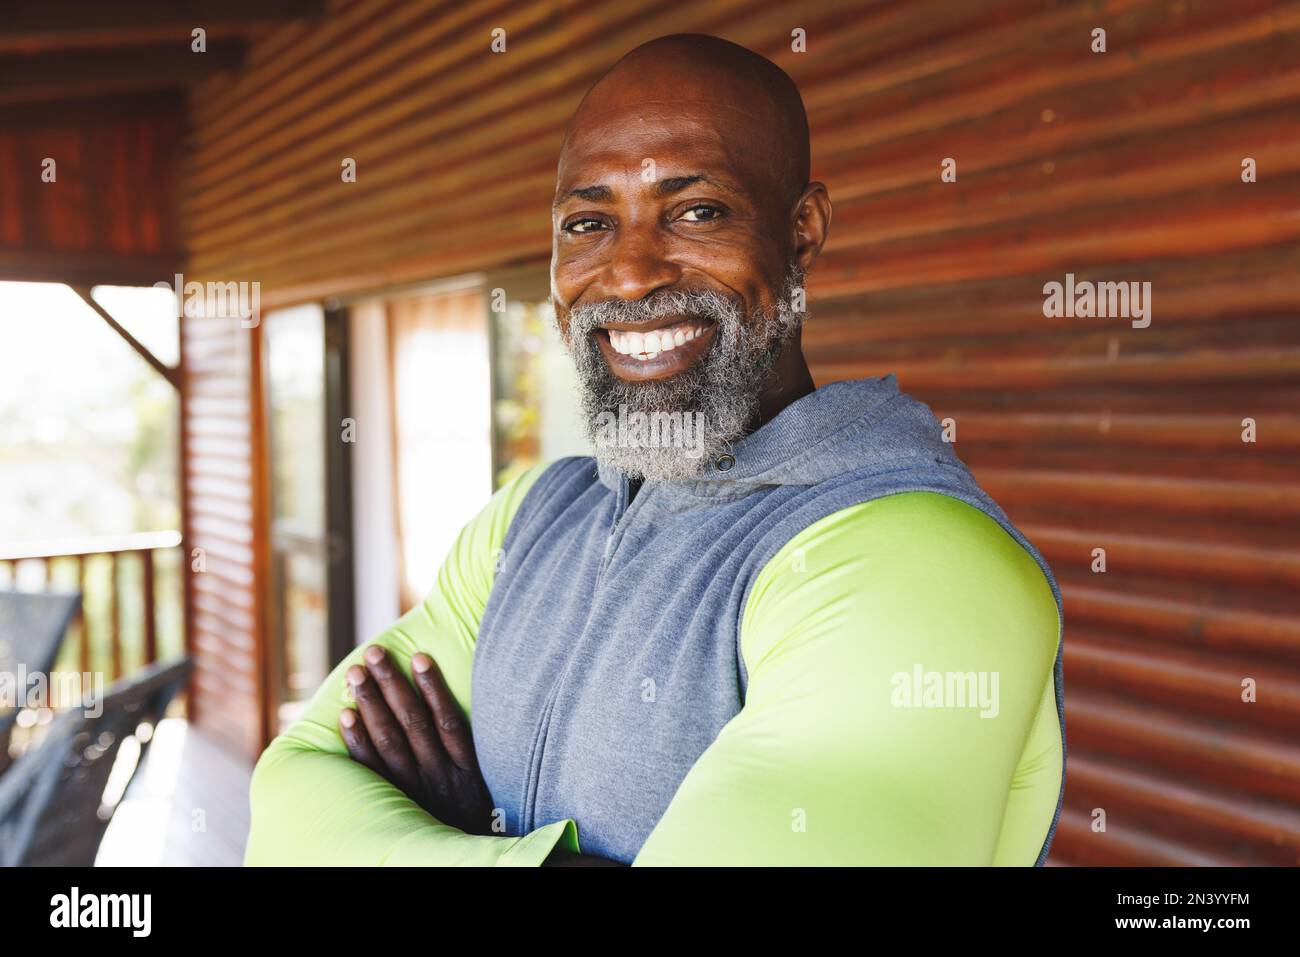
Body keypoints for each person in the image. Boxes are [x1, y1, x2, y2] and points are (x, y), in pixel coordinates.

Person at [244, 33, 1065, 867]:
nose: (631, 274)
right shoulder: (530, 517)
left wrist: (459, 834)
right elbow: (286, 801)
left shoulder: (914, 562)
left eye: (697, 211)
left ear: (803, 231)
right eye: (589, 222)